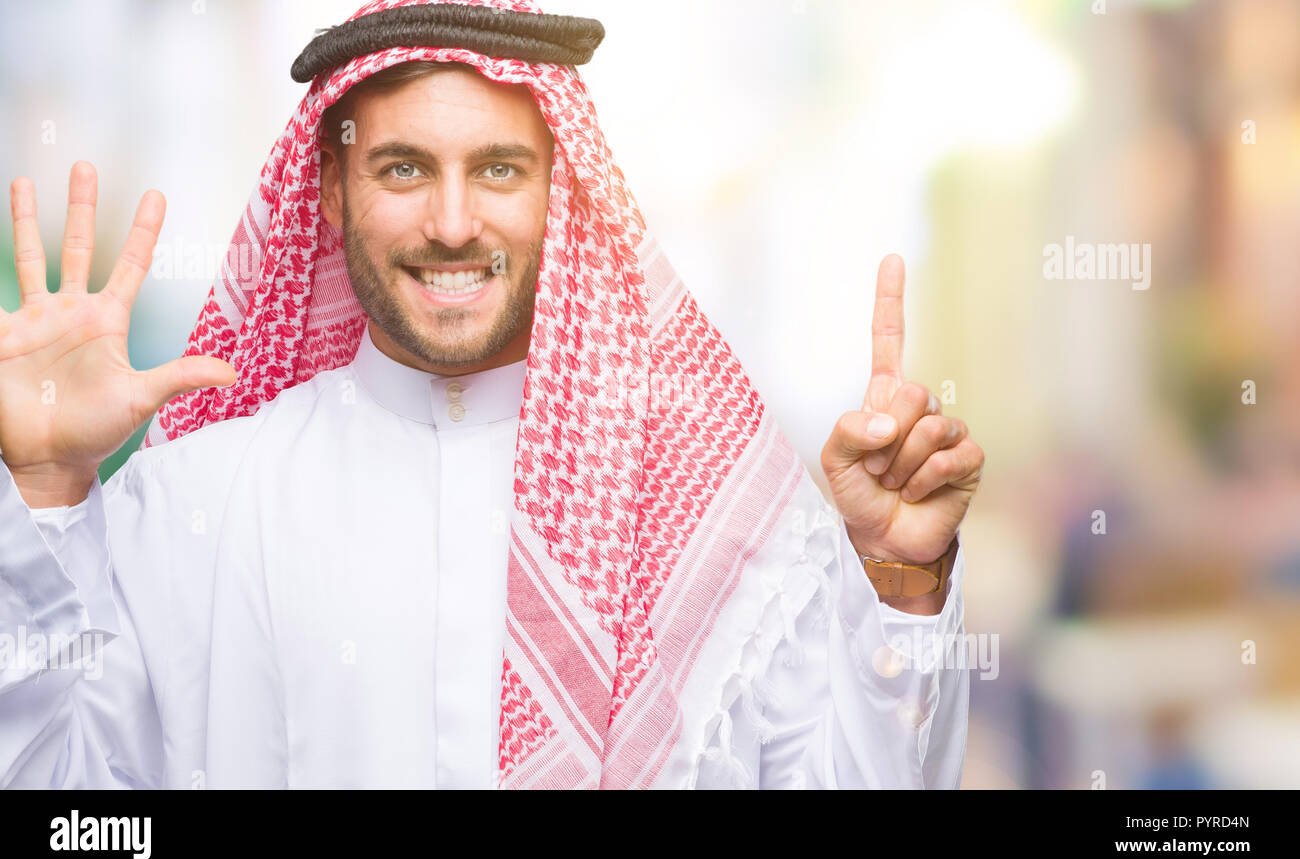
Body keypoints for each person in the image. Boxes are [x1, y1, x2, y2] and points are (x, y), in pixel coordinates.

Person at [0, 0, 983, 789]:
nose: (454, 220)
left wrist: (899, 584)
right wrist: (42, 486)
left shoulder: (715, 513)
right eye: (403, 168)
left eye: (499, 169)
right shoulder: (191, 507)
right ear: (335, 191)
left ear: (560, 189)